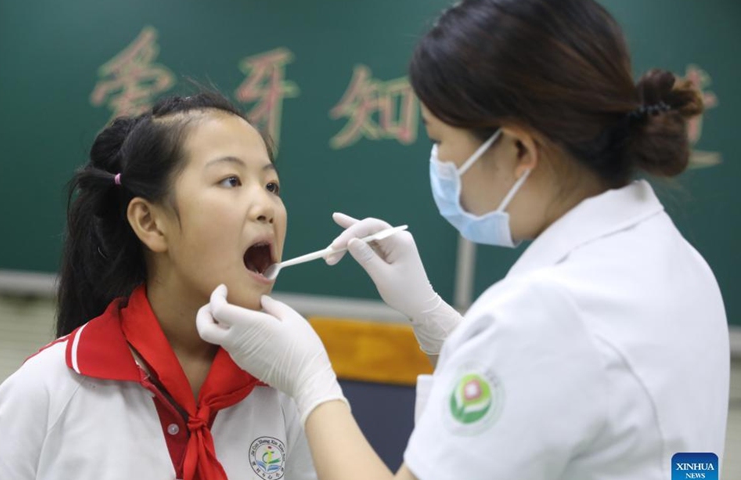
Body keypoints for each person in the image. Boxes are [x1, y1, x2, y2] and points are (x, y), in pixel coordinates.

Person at [195, 1, 730, 479]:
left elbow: (544, 353)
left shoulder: (544, 314)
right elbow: (560, 388)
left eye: (440, 140)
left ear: (519, 150)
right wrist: (432, 318)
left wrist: (309, 379)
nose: (442, 165)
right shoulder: (679, 266)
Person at [0, 92, 317, 480]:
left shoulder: (282, 392)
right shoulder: (50, 388)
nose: (266, 208)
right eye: (231, 180)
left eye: (272, 186)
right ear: (150, 222)